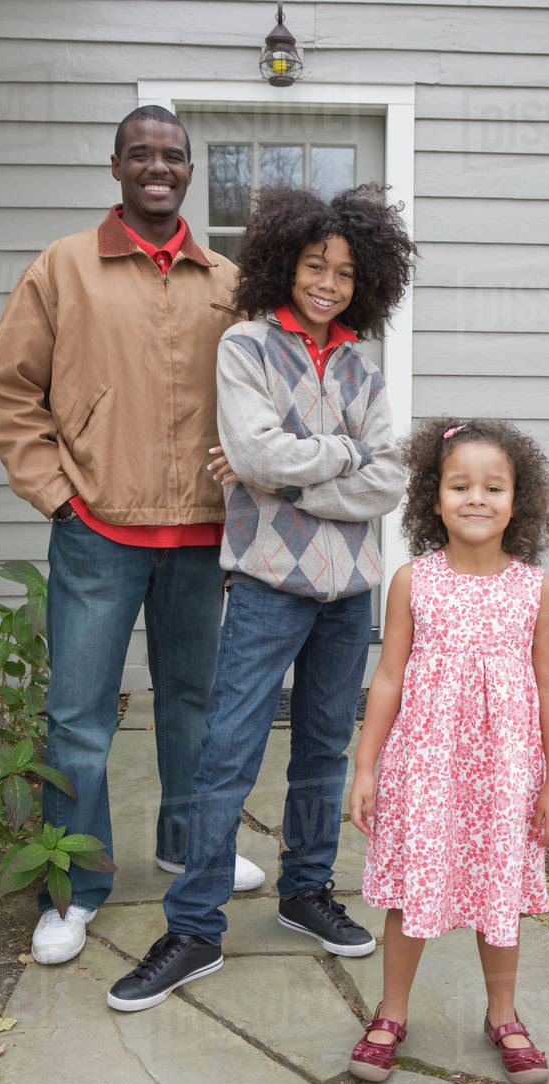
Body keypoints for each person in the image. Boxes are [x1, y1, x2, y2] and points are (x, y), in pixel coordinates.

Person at [107, 183, 416, 1012]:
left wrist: (290, 477)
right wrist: (320, 460)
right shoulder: (247, 346)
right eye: (315, 264)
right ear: (285, 263)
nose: (328, 283)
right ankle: (194, 927)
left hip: (350, 593)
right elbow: (254, 448)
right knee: (226, 756)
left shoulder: (362, 367)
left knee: (322, 751)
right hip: (268, 587)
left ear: (366, 282)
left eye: (346, 272)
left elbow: (390, 477)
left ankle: (306, 891)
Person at [0, 105, 263, 968]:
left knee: (194, 708)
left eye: (172, 156)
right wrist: (56, 495)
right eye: (141, 154)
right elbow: (6, 389)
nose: (158, 168)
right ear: (116, 167)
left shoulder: (227, 280)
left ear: (188, 172)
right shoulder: (64, 268)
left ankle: (184, 847)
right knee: (79, 719)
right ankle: (76, 888)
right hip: (96, 528)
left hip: (200, 535)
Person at [345, 418, 549, 1084]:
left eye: (493, 487)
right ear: (432, 497)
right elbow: (387, 677)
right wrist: (366, 767)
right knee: (414, 881)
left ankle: (502, 1013)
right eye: (460, 484)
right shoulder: (415, 581)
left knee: (499, 884)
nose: (476, 498)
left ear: (517, 501)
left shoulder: (536, 590)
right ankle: (390, 1011)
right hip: (426, 768)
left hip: (504, 776)